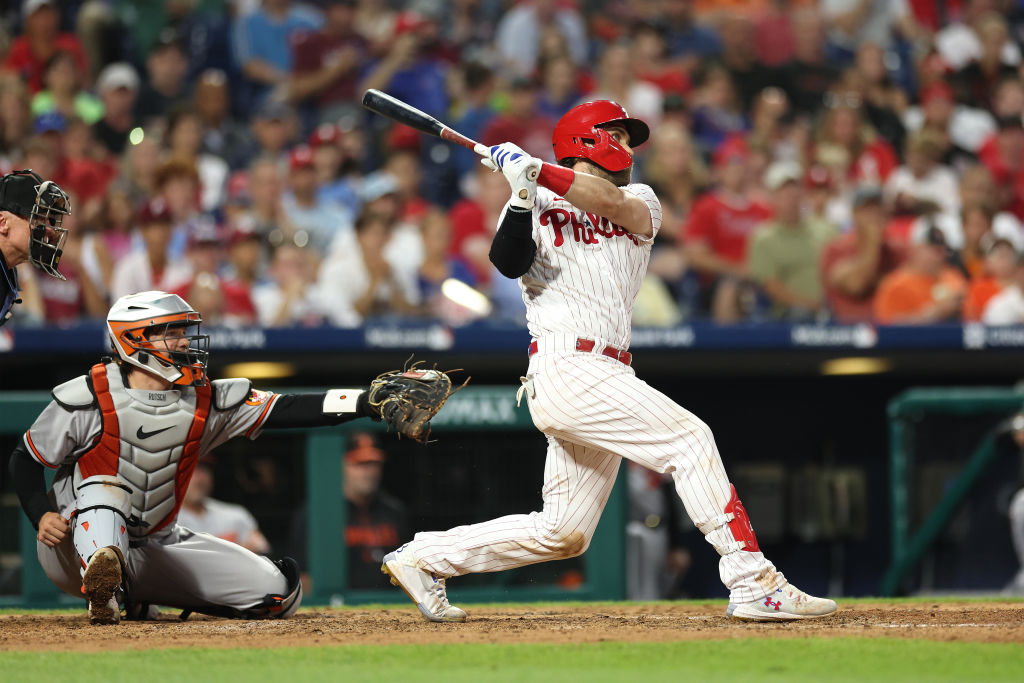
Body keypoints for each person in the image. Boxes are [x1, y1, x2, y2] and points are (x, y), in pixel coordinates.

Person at [381, 101, 836, 623]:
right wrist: (522, 190)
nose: (627, 147)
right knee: (690, 440)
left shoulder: (640, 198)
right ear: (587, 140)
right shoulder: (534, 203)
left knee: (564, 533)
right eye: (617, 135)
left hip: (607, 370)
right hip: (567, 366)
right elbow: (506, 262)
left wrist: (537, 170)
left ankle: (423, 557)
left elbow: (611, 205)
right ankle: (754, 581)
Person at [7, 290, 452, 624]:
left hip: (155, 543)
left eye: (183, 331)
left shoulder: (204, 400)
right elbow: (25, 459)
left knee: (277, 594)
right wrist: (39, 514)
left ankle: (133, 593)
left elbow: (288, 407)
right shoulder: (88, 395)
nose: (184, 342)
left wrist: (366, 402)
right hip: (71, 549)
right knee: (105, 487)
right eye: (171, 333)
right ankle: (104, 588)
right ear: (134, 341)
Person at [289, 432, 409, 592]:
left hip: (391, 608)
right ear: (341, 466)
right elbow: (301, 577)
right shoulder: (317, 513)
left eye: (374, 463)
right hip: (337, 609)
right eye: (360, 464)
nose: (369, 471)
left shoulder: (395, 512)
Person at [0, 169, 72, 326]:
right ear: (3, 223)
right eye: (37, 219)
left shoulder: (9, 271)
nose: (50, 230)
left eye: (49, 221)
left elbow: (34, 322)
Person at [178, 457, 271, 556]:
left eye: (205, 470)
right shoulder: (166, 521)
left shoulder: (236, 515)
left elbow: (261, 550)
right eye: (191, 470)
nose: (199, 479)